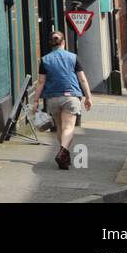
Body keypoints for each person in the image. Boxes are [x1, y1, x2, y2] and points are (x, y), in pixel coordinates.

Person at [34, 31, 92, 169]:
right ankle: (63, 152)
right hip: (70, 97)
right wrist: (88, 97)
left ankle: (64, 157)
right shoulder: (73, 57)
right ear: (63, 42)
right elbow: (82, 78)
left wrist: (36, 100)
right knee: (68, 128)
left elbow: (41, 82)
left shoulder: (45, 59)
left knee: (60, 128)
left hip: (53, 98)